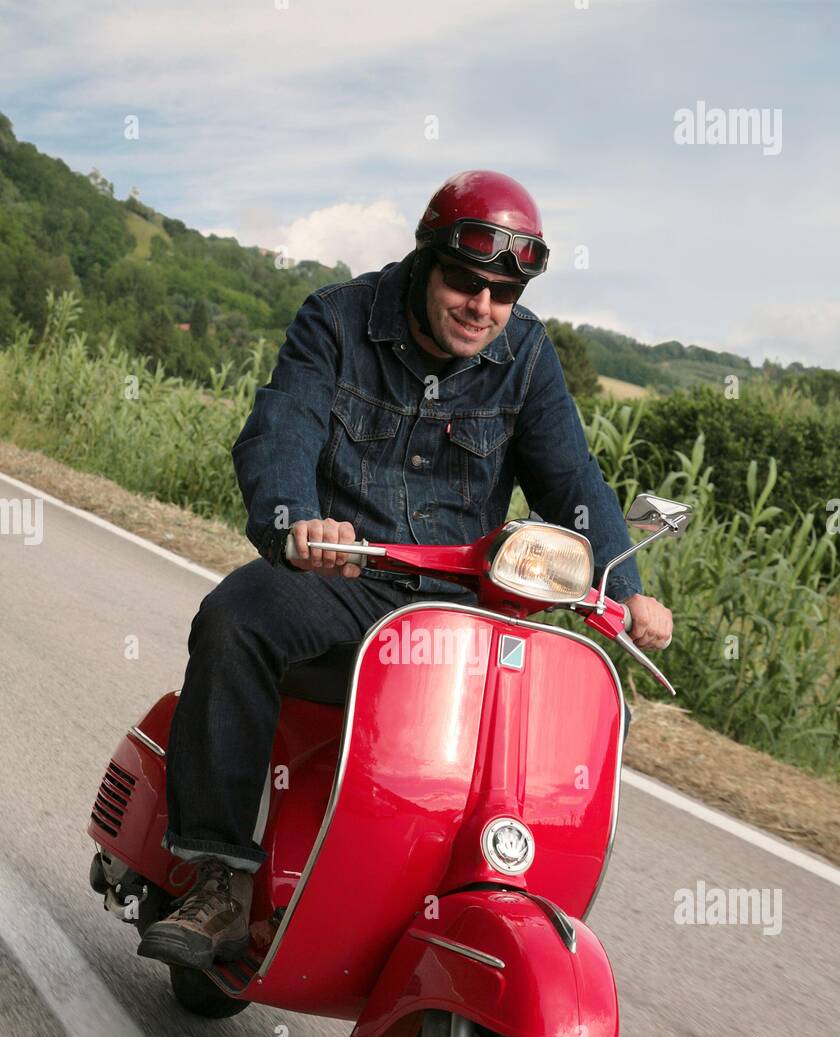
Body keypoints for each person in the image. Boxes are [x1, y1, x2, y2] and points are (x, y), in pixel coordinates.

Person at [137, 169, 673, 971]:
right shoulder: (338, 319)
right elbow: (279, 428)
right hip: (344, 580)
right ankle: (219, 878)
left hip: (464, 604)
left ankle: (471, 891)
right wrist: (293, 522)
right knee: (239, 615)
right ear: (426, 259)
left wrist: (627, 592)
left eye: (502, 294)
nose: (481, 307)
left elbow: (573, 482)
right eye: (465, 281)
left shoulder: (526, 356)